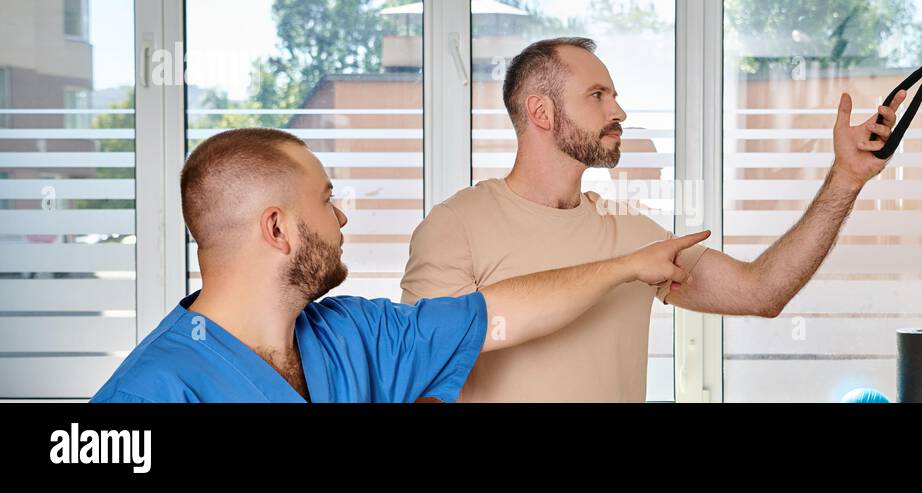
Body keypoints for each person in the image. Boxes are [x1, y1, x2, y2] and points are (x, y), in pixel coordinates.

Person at [401, 37, 905, 402]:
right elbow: (418, 380)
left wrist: (845, 178)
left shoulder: (633, 234)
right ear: (541, 111)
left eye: (614, 94)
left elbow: (761, 292)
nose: (618, 109)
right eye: (597, 95)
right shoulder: (454, 227)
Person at [91, 128, 709, 403]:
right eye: (327, 200)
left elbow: (499, 314)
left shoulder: (351, 333)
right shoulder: (148, 397)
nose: (343, 220)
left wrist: (625, 266)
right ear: (277, 229)